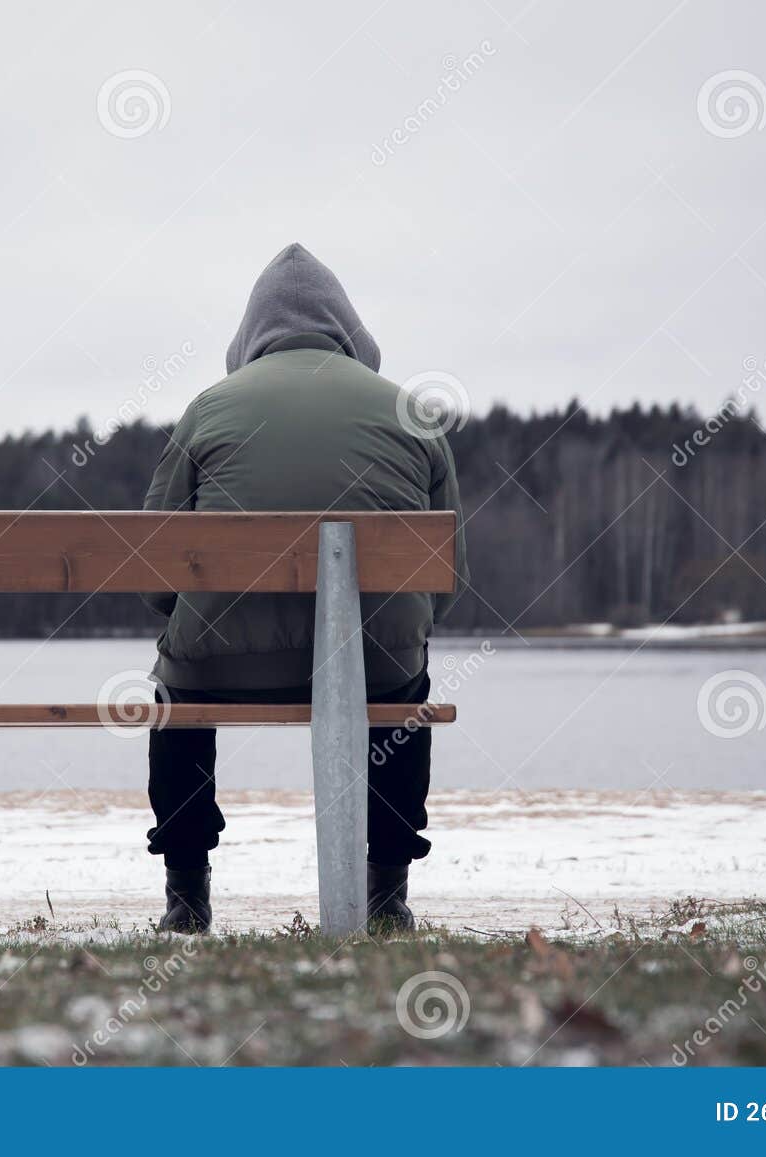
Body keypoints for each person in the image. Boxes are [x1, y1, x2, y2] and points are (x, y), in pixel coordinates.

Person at [140, 242, 468, 934]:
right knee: (405, 680)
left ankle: (186, 896)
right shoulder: (411, 410)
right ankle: (386, 895)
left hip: (223, 659)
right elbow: (447, 577)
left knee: (177, 689)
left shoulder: (208, 408)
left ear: (250, 336)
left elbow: (155, 566)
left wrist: (186, 620)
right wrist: (394, 632)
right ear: (350, 331)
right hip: (373, 659)